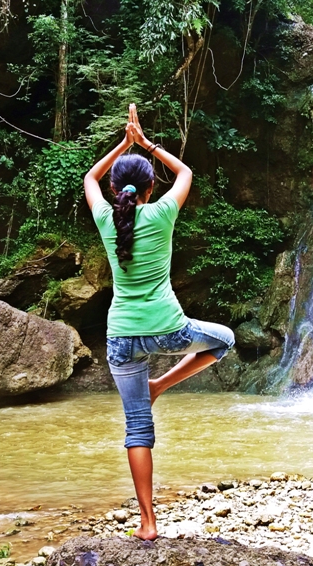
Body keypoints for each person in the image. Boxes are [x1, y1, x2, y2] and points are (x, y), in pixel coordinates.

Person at [83, 103, 235, 540]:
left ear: (116, 190)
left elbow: (89, 178)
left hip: (120, 337)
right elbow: (185, 172)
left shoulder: (105, 217)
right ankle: (161, 385)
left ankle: (148, 523)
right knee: (223, 340)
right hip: (168, 330)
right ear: (150, 190)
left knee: (137, 429)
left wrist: (123, 145)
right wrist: (146, 143)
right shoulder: (163, 212)